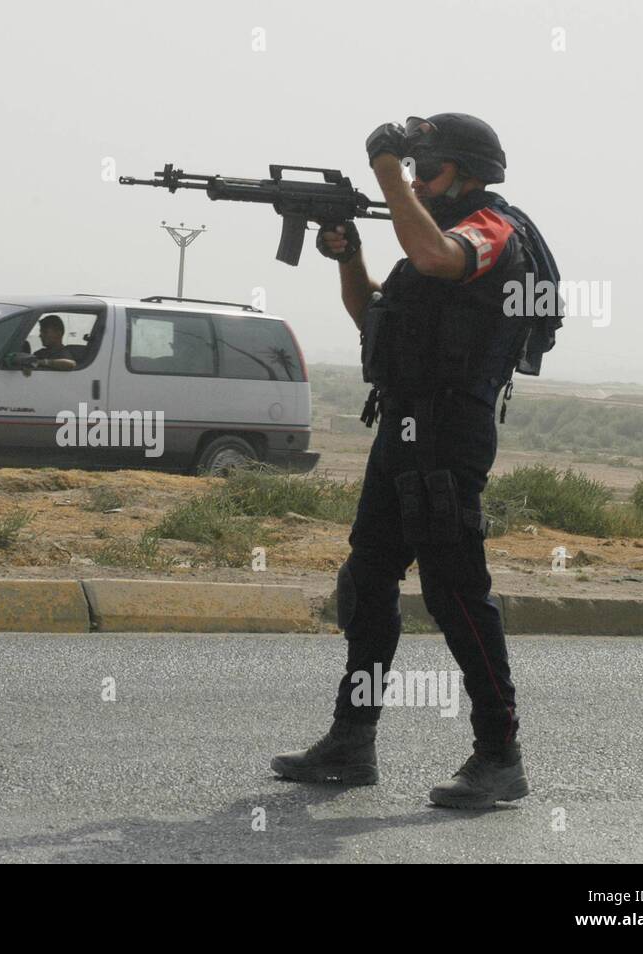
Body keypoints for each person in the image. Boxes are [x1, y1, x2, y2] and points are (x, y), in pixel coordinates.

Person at [271, 113, 557, 809]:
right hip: (399, 427)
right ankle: (351, 740)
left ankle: (500, 755)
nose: (417, 183)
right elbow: (371, 316)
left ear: (464, 173)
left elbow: (438, 258)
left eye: (427, 172)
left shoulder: (492, 230)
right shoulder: (421, 238)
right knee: (366, 581)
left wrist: (384, 171)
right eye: (414, 171)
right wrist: (347, 253)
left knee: (454, 591)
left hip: (448, 433)